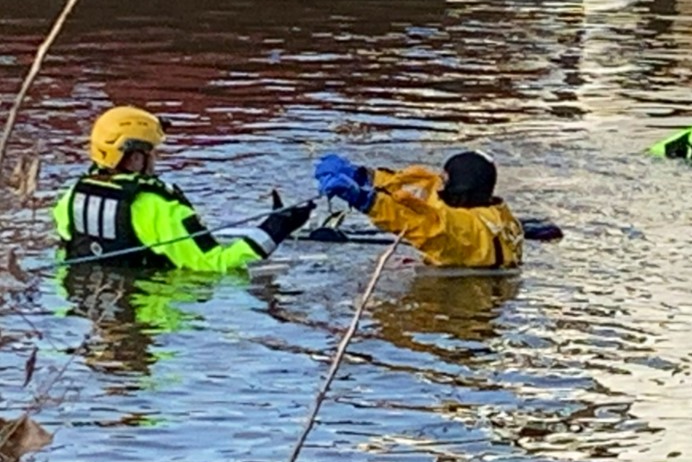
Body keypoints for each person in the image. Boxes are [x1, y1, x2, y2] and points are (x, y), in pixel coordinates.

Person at [52, 105, 313, 271]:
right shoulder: (159, 208)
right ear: (133, 158)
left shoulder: (72, 195)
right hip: (152, 309)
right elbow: (215, 264)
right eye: (151, 152)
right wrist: (275, 229)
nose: (155, 159)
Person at [314, 150, 535, 269]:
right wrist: (364, 176)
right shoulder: (492, 211)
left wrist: (365, 200)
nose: (440, 186)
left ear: (461, 193)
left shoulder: (466, 230)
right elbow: (426, 190)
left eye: (446, 182)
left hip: (462, 298)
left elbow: (421, 224)